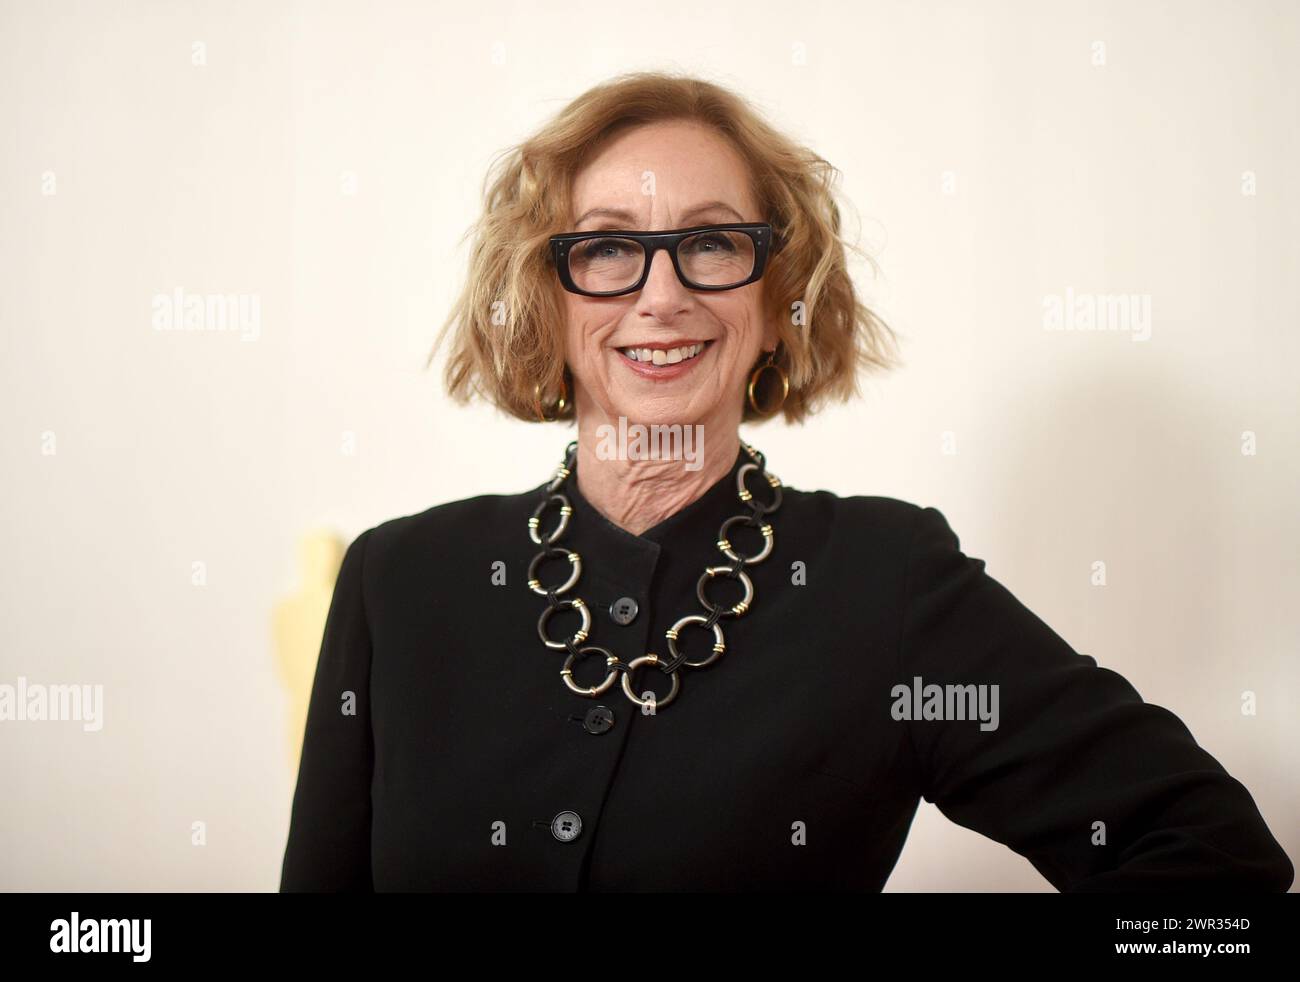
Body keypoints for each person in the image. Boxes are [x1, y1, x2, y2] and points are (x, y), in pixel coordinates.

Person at [279, 71, 1293, 892]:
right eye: (606, 250)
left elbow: (1209, 855)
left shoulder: (884, 585)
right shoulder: (399, 579)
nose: (661, 294)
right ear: (542, 299)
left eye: (713, 243)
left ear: (779, 300)